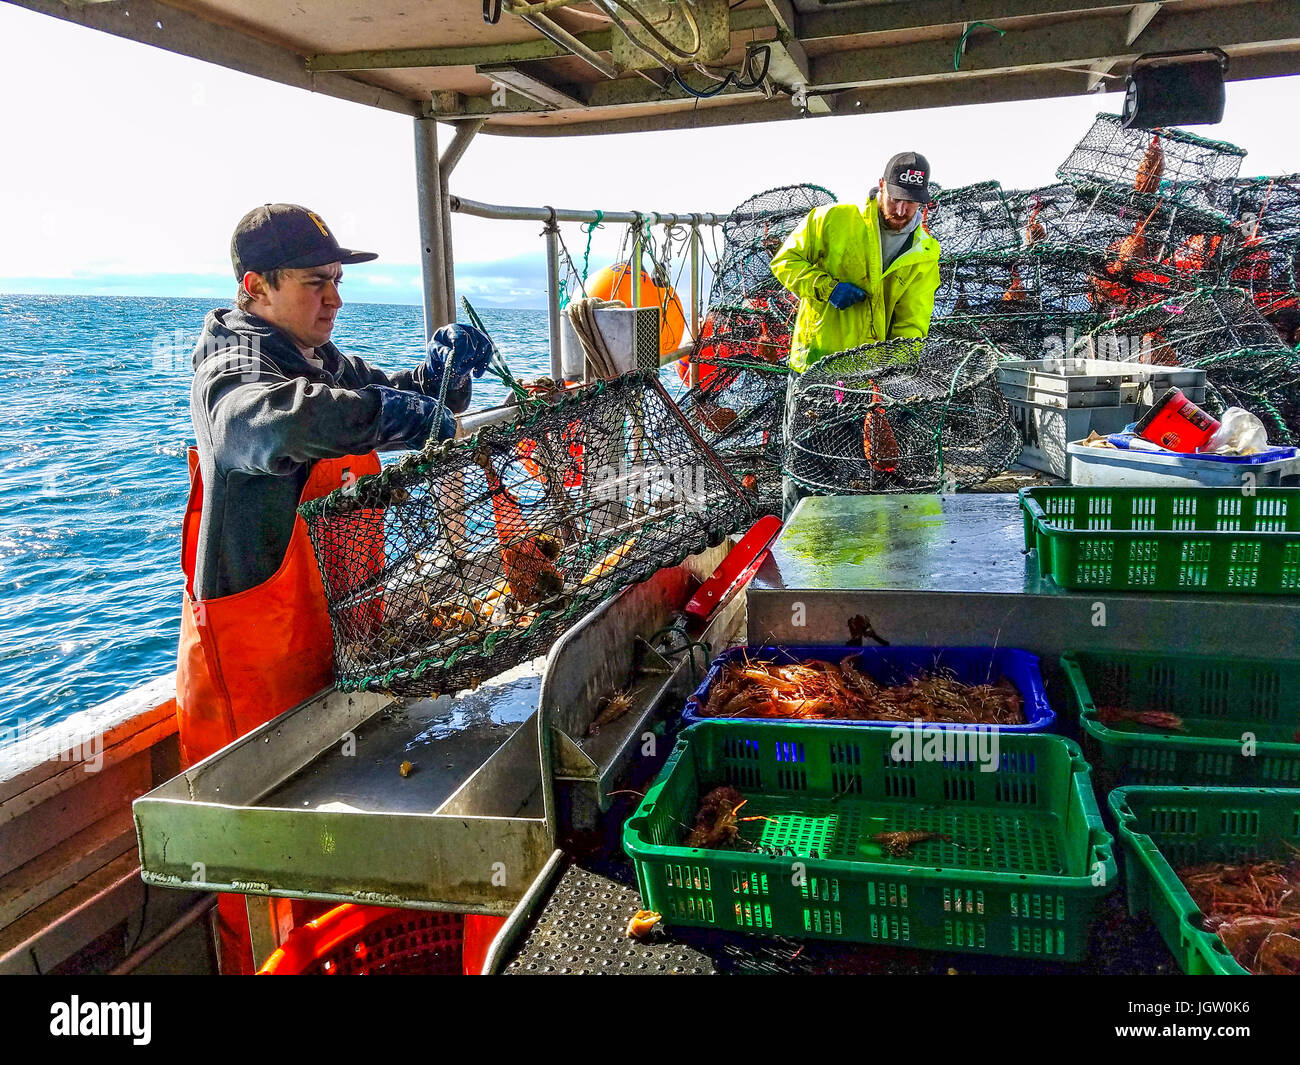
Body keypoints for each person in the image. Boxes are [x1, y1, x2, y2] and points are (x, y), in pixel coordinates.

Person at [176, 203, 493, 972]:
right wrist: (390, 413)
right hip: (253, 722)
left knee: (353, 895)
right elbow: (274, 425)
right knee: (282, 923)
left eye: (338, 281)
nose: (335, 298)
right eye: (316, 282)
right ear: (254, 287)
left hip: (333, 683)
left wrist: (447, 372)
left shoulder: (316, 360)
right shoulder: (233, 376)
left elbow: (407, 398)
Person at [770, 152, 943, 515]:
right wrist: (826, 287)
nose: (901, 209)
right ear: (880, 187)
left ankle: (853, 552)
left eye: (911, 202)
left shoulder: (924, 251)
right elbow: (784, 262)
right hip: (816, 367)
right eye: (895, 197)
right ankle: (796, 549)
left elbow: (913, 320)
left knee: (860, 469)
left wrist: (894, 369)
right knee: (803, 465)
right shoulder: (833, 219)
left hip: (869, 380)